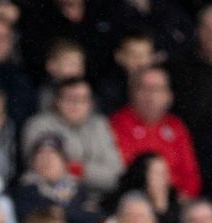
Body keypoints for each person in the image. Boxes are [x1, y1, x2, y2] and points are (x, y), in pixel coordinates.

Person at [18, 77, 123, 199]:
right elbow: (44, 171)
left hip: (100, 199)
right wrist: (93, 172)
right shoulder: (39, 125)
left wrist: (77, 170)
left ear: (91, 103)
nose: (76, 105)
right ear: (57, 101)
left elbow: (116, 175)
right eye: (70, 99)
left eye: (82, 99)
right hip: (49, 198)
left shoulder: (100, 124)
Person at [108, 67, 200, 199]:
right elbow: (125, 169)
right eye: (145, 88)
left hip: (175, 201)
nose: (151, 96)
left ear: (169, 96)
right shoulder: (118, 123)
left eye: (158, 89)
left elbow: (191, 174)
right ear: (132, 92)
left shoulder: (176, 126)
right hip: (134, 199)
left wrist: (183, 196)